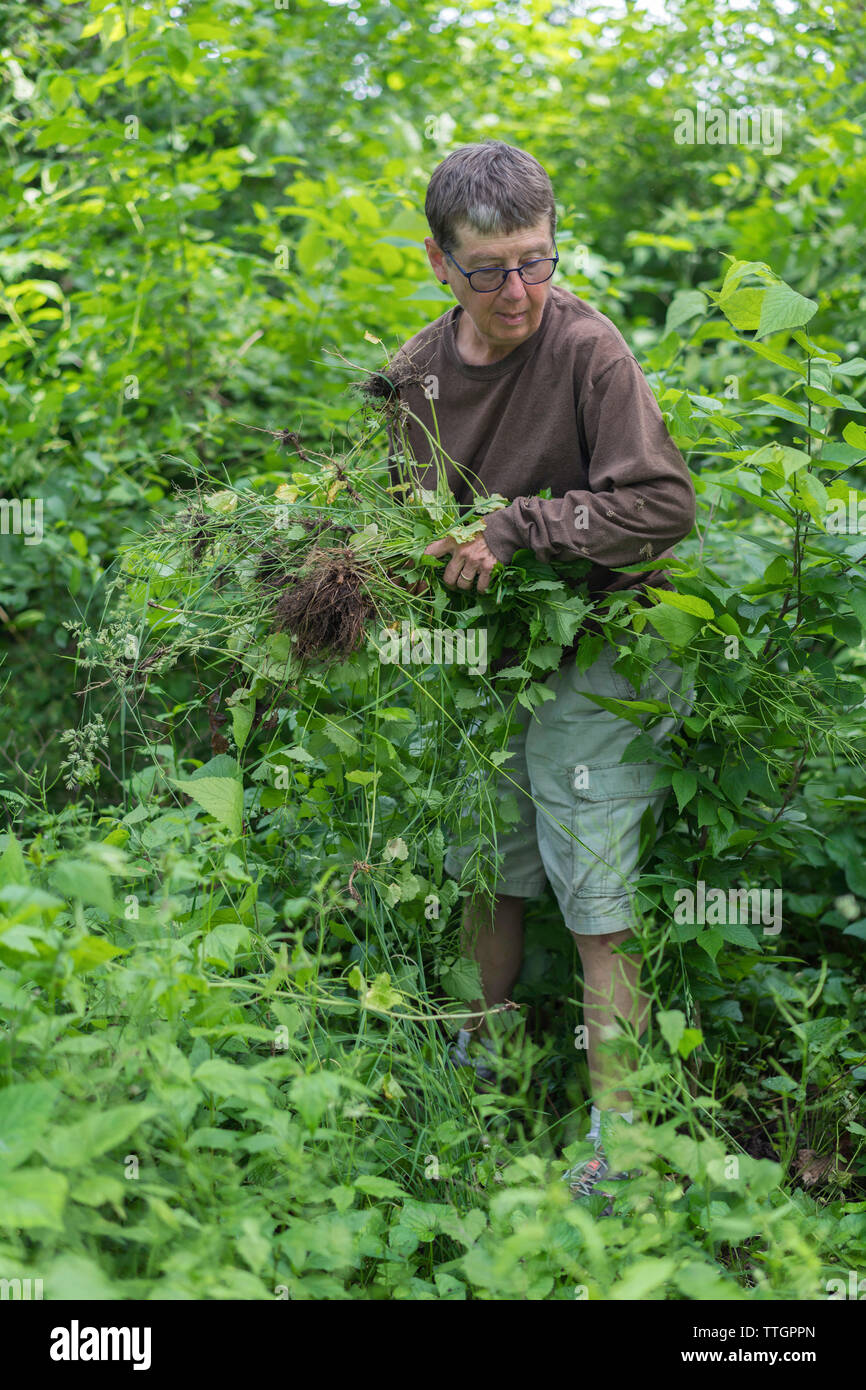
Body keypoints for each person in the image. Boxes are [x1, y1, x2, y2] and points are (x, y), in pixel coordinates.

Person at [383, 140, 696, 1203]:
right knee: (490, 871)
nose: (516, 291)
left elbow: (661, 507)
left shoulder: (587, 350)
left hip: (602, 647)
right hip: (489, 657)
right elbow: (407, 515)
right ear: (437, 262)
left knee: (592, 892)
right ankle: (479, 1087)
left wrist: (519, 527)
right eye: (488, 270)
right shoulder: (414, 372)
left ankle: (620, 1146)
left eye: (536, 260)